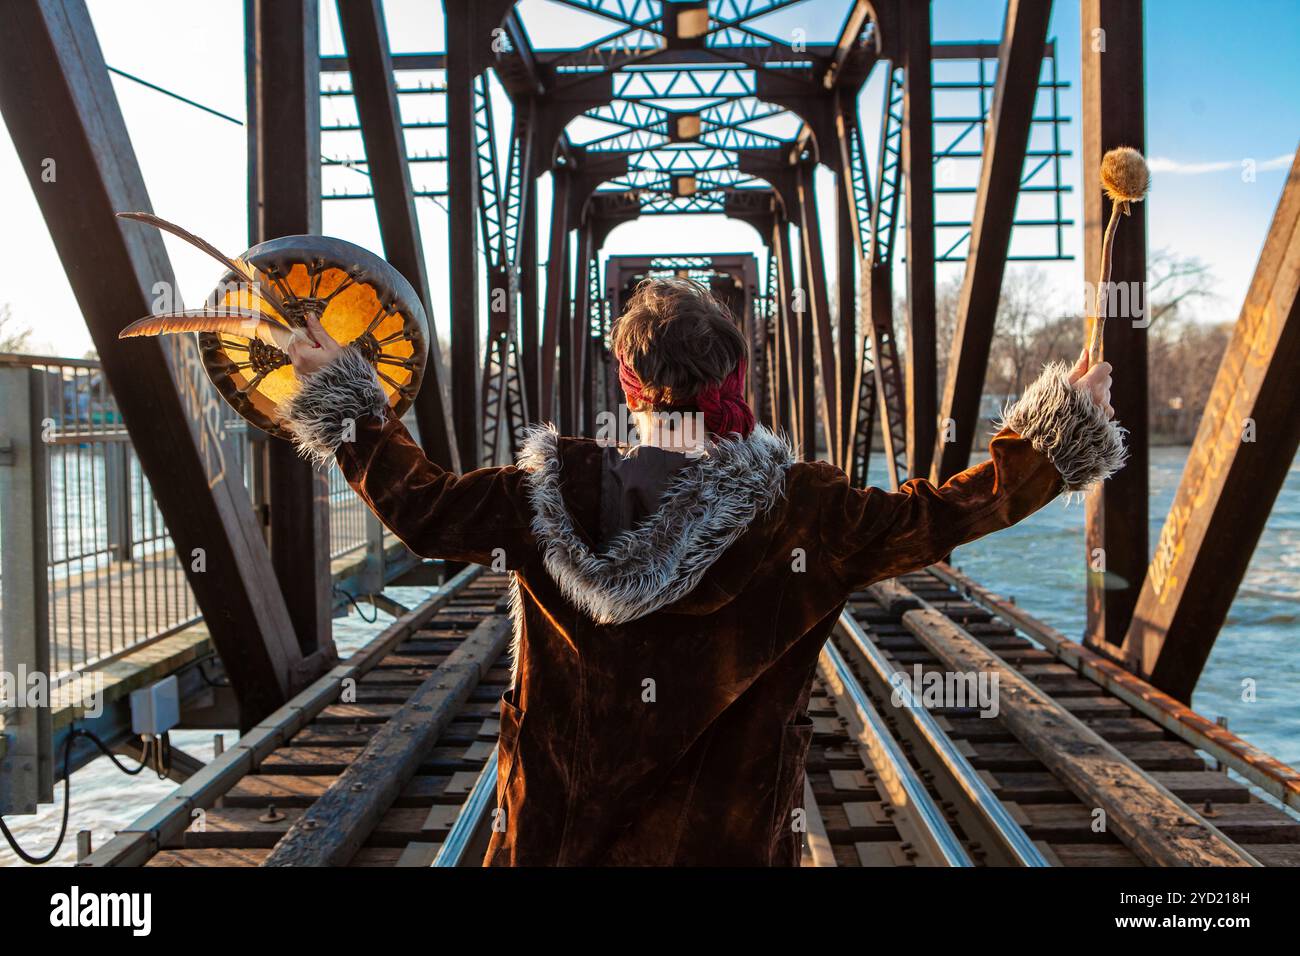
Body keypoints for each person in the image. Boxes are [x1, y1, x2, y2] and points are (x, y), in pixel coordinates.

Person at [282, 277, 1123, 866]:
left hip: (557, 836)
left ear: (628, 381)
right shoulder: (809, 513)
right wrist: (1057, 436)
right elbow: (941, 516)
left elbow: (421, 508)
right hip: (730, 840)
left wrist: (351, 408)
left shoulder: (542, 498)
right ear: (735, 376)